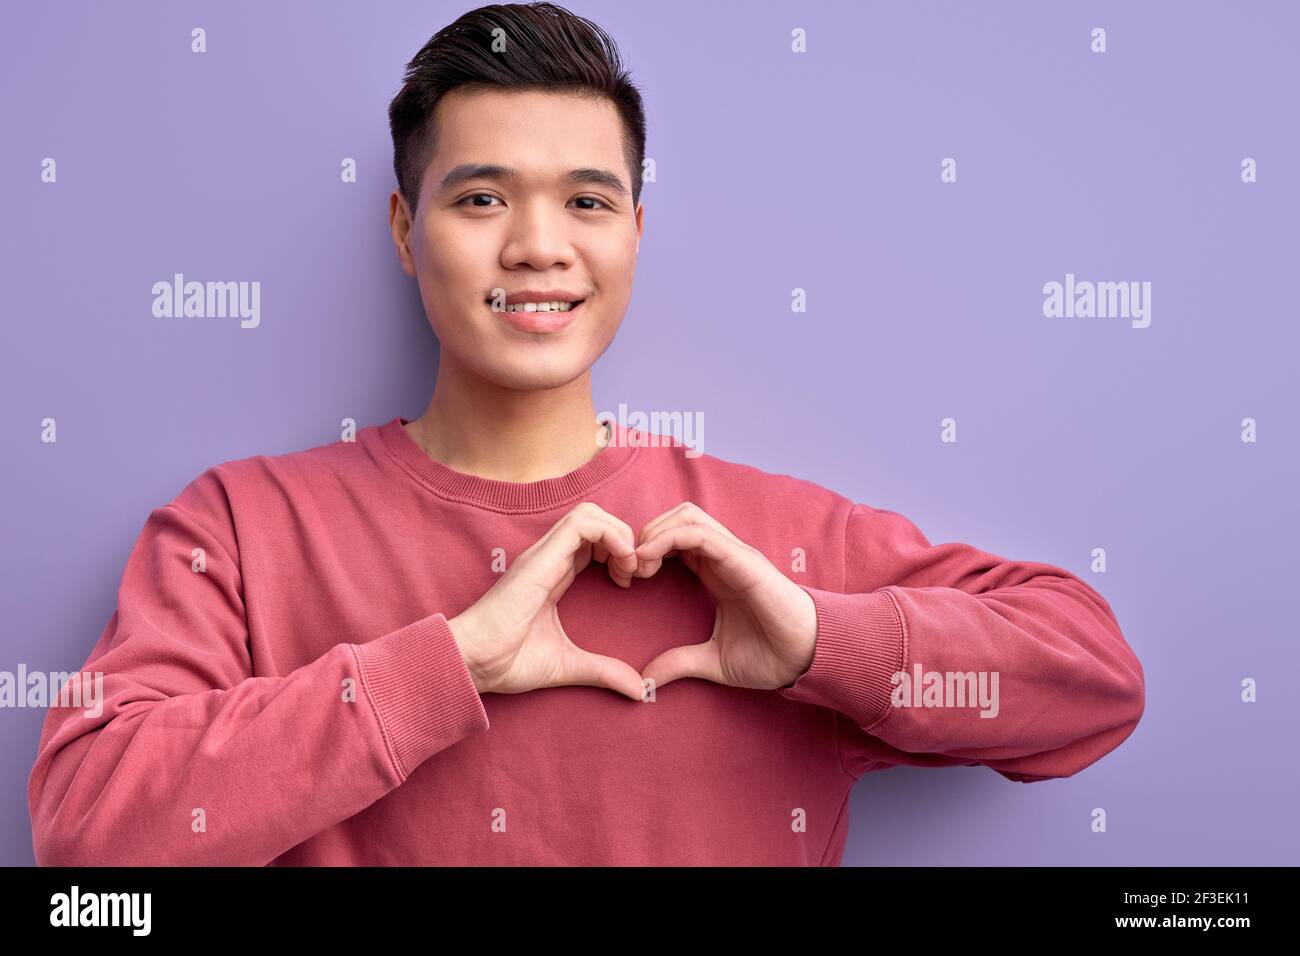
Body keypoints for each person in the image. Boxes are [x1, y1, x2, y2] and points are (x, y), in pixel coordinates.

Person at [28, 2, 1144, 866]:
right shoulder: (240, 526)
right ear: (404, 231)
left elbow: (1093, 679)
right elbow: (86, 834)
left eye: (587, 201)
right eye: (479, 200)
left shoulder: (763, 547)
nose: (537, 246)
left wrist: (817, 642)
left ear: (636, 233)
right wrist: (445, 665)